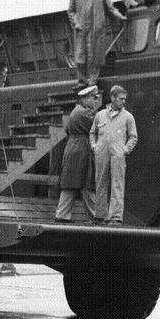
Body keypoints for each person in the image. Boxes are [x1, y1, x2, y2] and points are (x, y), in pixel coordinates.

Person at [68, 0, 126, 86]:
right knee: (80, 56)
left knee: (96, 56)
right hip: (82, 28)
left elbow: (111, 8)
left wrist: (121, 16)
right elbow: (71, 10)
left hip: (97, 29)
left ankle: (93, 80)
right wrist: (76, 23)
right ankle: (82, 80)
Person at [89, 84, 138, 225]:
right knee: (100, 182)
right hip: (101, 152)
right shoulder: (100, 115)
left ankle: (115, 217)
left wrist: (125, 150)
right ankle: (100, 215)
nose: (123, 101)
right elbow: (92, 132)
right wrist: (95, 146)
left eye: (124, 99)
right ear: (112, 98)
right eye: (121, 99)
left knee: (117, 183)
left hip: (118, 154)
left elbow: (133, 137)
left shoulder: (128, 117)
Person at [54, 85, 100, 222]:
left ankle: (62, 215)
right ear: (85, 99)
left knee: (70, 183)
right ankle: (96, 216)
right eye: (94, 97)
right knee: (87, 182)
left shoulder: (76, 111)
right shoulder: (82, 113)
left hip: (73, 148)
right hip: (81, 150)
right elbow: (96, 127)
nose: (95, 100)